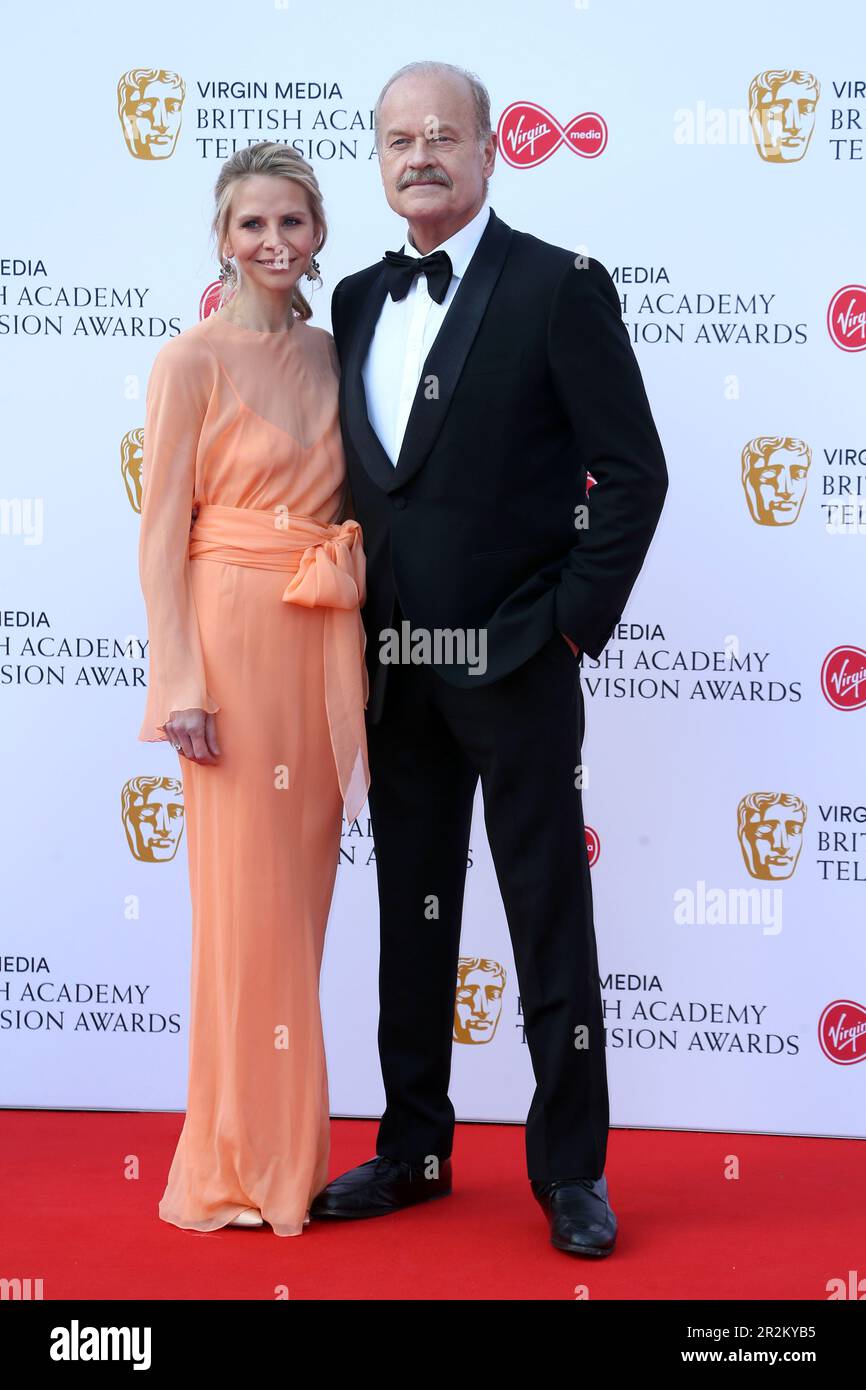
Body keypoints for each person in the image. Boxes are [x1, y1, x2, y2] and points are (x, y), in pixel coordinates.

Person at [311, 61, 668, 1257]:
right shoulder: (355, 296)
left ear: (487, 151)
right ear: (380, 158)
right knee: (408, 914)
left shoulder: (558, 287)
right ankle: (410, 1148)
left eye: (443, 136)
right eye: (399, 138)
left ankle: (570, 1169)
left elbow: (632, 472)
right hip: (393, 665)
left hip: (515, 659)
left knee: (545, 916)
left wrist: (568, 621)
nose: (420, 154)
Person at [137, 141, 369, 1236]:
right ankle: (237, 1161)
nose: (272, 243)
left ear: (317, 233)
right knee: (242, 911)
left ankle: (286, 1150)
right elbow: (158, 537)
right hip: (230, 644)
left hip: (320, 637)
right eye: (250, 226)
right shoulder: (189, 361)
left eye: (291, 223)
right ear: (220, 238)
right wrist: (179, 679)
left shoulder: (335, 352)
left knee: (299, 904)